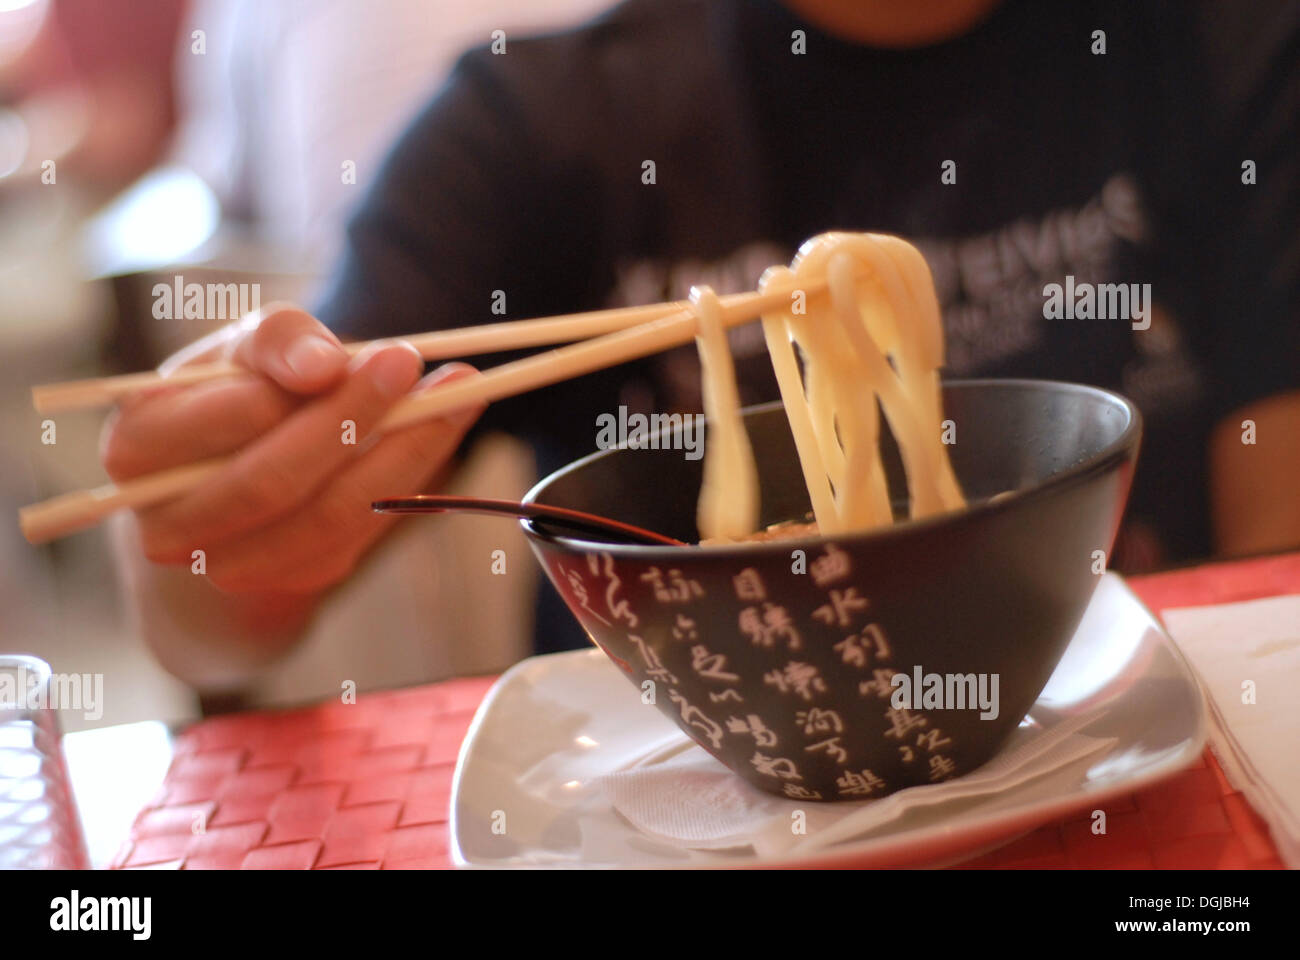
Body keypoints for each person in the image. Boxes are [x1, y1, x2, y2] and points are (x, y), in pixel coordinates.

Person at [103, 0, 1300, 689]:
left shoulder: (1228, 49)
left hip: (1114, 769)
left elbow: (1277, 596)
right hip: (698, 811)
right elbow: (218, 620)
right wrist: (209, 528)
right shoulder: (541, 125)